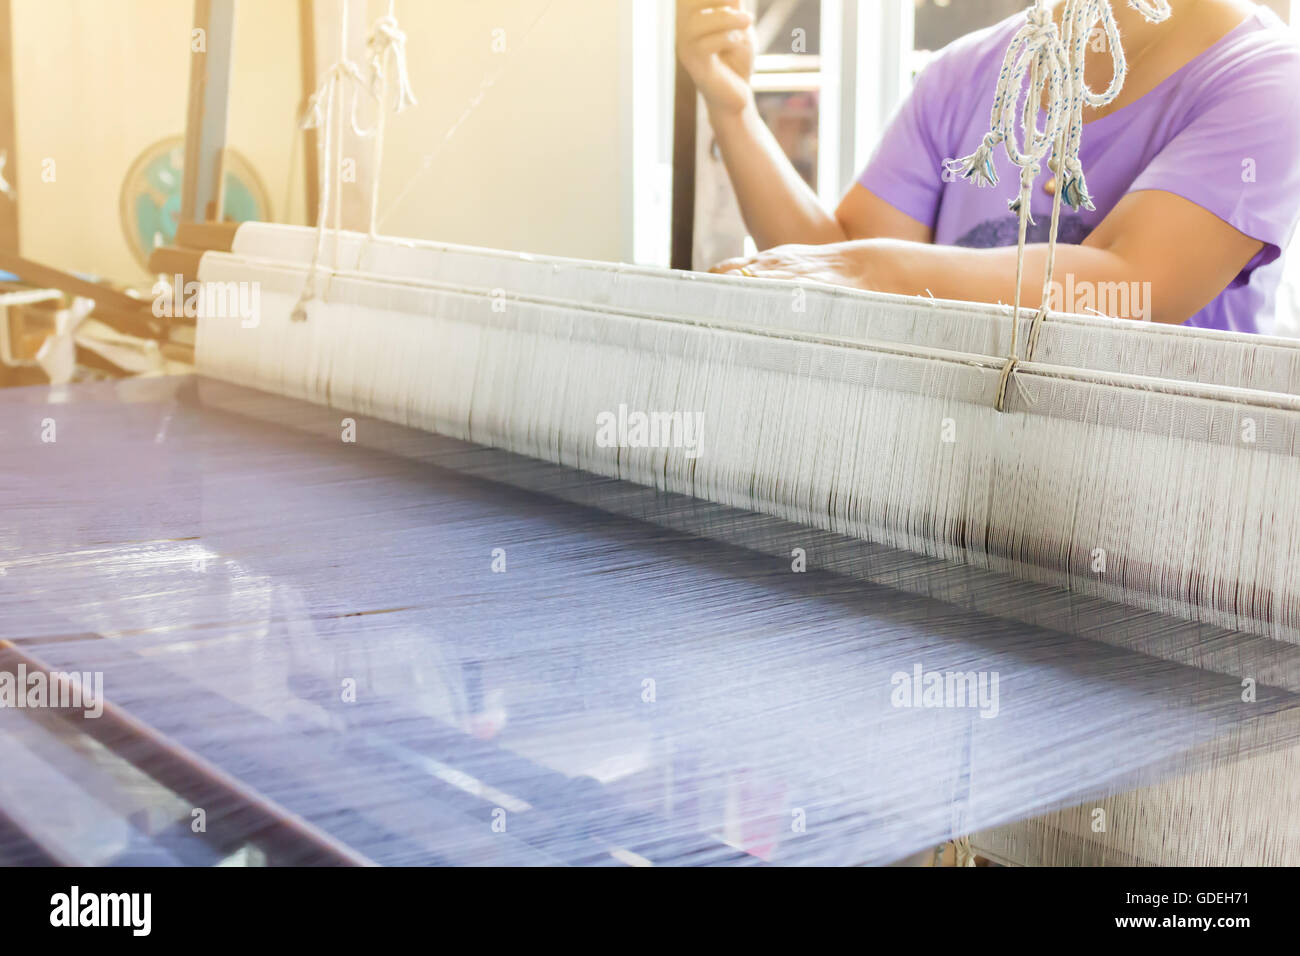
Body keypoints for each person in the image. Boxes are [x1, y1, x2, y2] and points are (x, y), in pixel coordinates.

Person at [677, 0, 1300, 331]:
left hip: (1157, 544)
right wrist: (733, 113)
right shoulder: (961, 73)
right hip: (953, 505)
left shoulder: (1268, 80)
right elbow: (829, 264)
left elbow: (1131, 286)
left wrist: (871, 271)